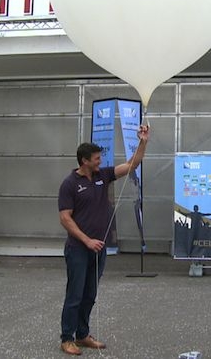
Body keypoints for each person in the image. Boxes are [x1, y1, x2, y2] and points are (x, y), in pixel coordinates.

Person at [57, 125, 150, 356]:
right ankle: (67, 338)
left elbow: (131, 165)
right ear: (84, 161)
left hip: (98, 248)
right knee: (75, 295)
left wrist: (143, 141)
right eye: (96, 159)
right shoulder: (69, 184)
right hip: (79, 248)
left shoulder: (103, 175)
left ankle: (83, 334)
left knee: (90, 294)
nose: (100, 161)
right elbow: (65, 219)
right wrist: (87, 240)